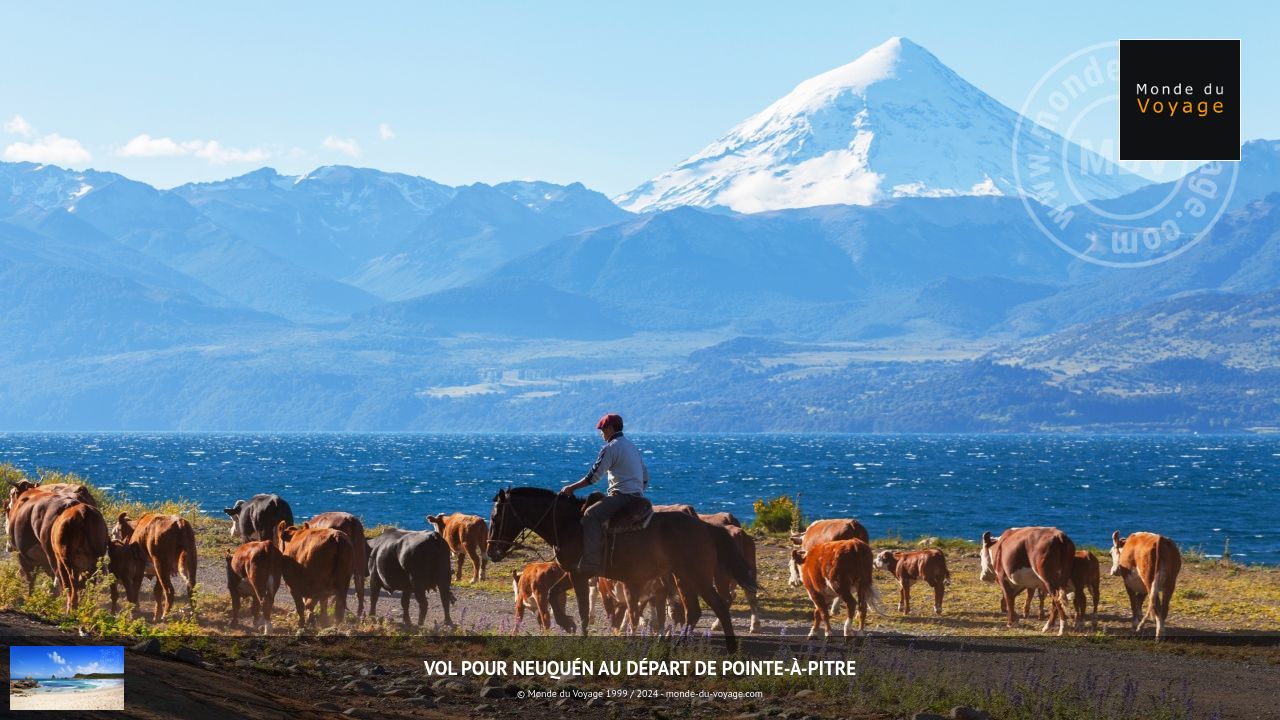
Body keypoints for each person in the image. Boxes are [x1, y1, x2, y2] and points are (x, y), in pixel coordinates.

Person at [559, 413, 650, 575]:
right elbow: (645, 478)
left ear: (610, 428)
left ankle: (591, 563)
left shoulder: (610, 448)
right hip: (638, 497)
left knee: (590, 516)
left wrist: (571, 488)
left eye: (602, 429)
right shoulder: (632, 447)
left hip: (622, 497)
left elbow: (593, 477)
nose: (601, 433)